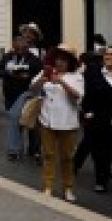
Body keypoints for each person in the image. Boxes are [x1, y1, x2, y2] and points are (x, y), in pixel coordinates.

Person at [31, 44, 84, 202]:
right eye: (58, 59)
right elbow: (32, 89)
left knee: (67, 157)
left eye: (64, 60)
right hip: (47, 120)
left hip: (68, 122)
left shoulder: (76, 77)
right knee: (48, 154)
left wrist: (61, 82)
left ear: (70, 62)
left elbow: (78, 96)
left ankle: (68, 188)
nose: (59, 62)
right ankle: (48, 186)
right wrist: (42, 79)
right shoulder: (47, 72)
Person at [80, 45, 112, 194]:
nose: (108, 56)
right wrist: (87, 112)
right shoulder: (94, 74)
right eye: (106, 54)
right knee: (100, 151)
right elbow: (87, 95)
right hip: (100, 117)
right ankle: (101, 181)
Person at [0, 31, 43, 160]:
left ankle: (29, 149)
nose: (20, 50)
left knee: (28, 120)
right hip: (10, 94)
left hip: (27, 93)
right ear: (14, 46)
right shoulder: (7, 57)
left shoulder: (34, 60)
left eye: (23, 48)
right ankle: (18, 148)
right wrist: (8, 73)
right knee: (16, 121)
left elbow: (40, 75)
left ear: (27, 47)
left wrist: (28, 77)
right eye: (18, 48)